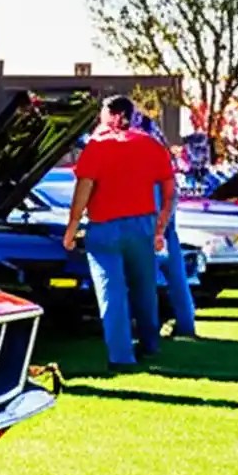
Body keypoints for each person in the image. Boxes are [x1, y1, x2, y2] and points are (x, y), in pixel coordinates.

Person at [63, 96, 176, 371]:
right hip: (142, 225)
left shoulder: (97, 145)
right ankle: (150, 344)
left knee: (110, 290)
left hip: (104, 226)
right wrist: (161, 223)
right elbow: (169, 187)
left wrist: (72, 227)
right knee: (145, 287)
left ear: (110, 114)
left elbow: (84, 189)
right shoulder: (150, 144)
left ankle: (121, 357)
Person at [131, 110, 198, 340]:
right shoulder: (151, 130)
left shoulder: (130, 134)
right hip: (167, 192)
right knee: (175, 270)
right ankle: (186, 324)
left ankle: (146, 328)